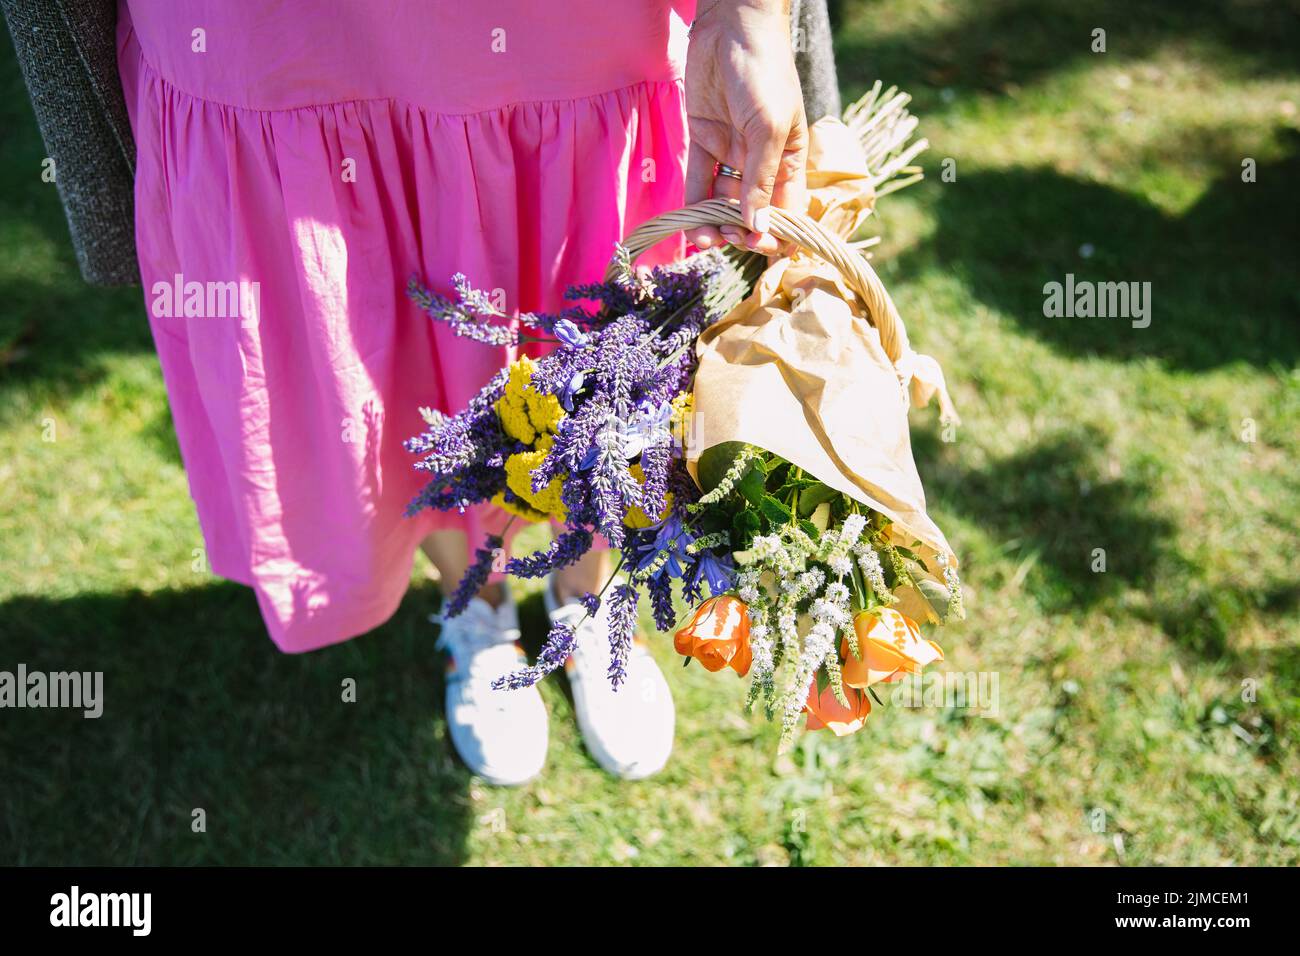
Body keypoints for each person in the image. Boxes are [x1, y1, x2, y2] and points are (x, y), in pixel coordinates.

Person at [5, 0, 835, 784]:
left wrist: (753, 12)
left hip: (575, 37)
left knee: (604, 345)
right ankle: (475, 603)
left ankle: (586, 595)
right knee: (388, 356)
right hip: (294, 45)